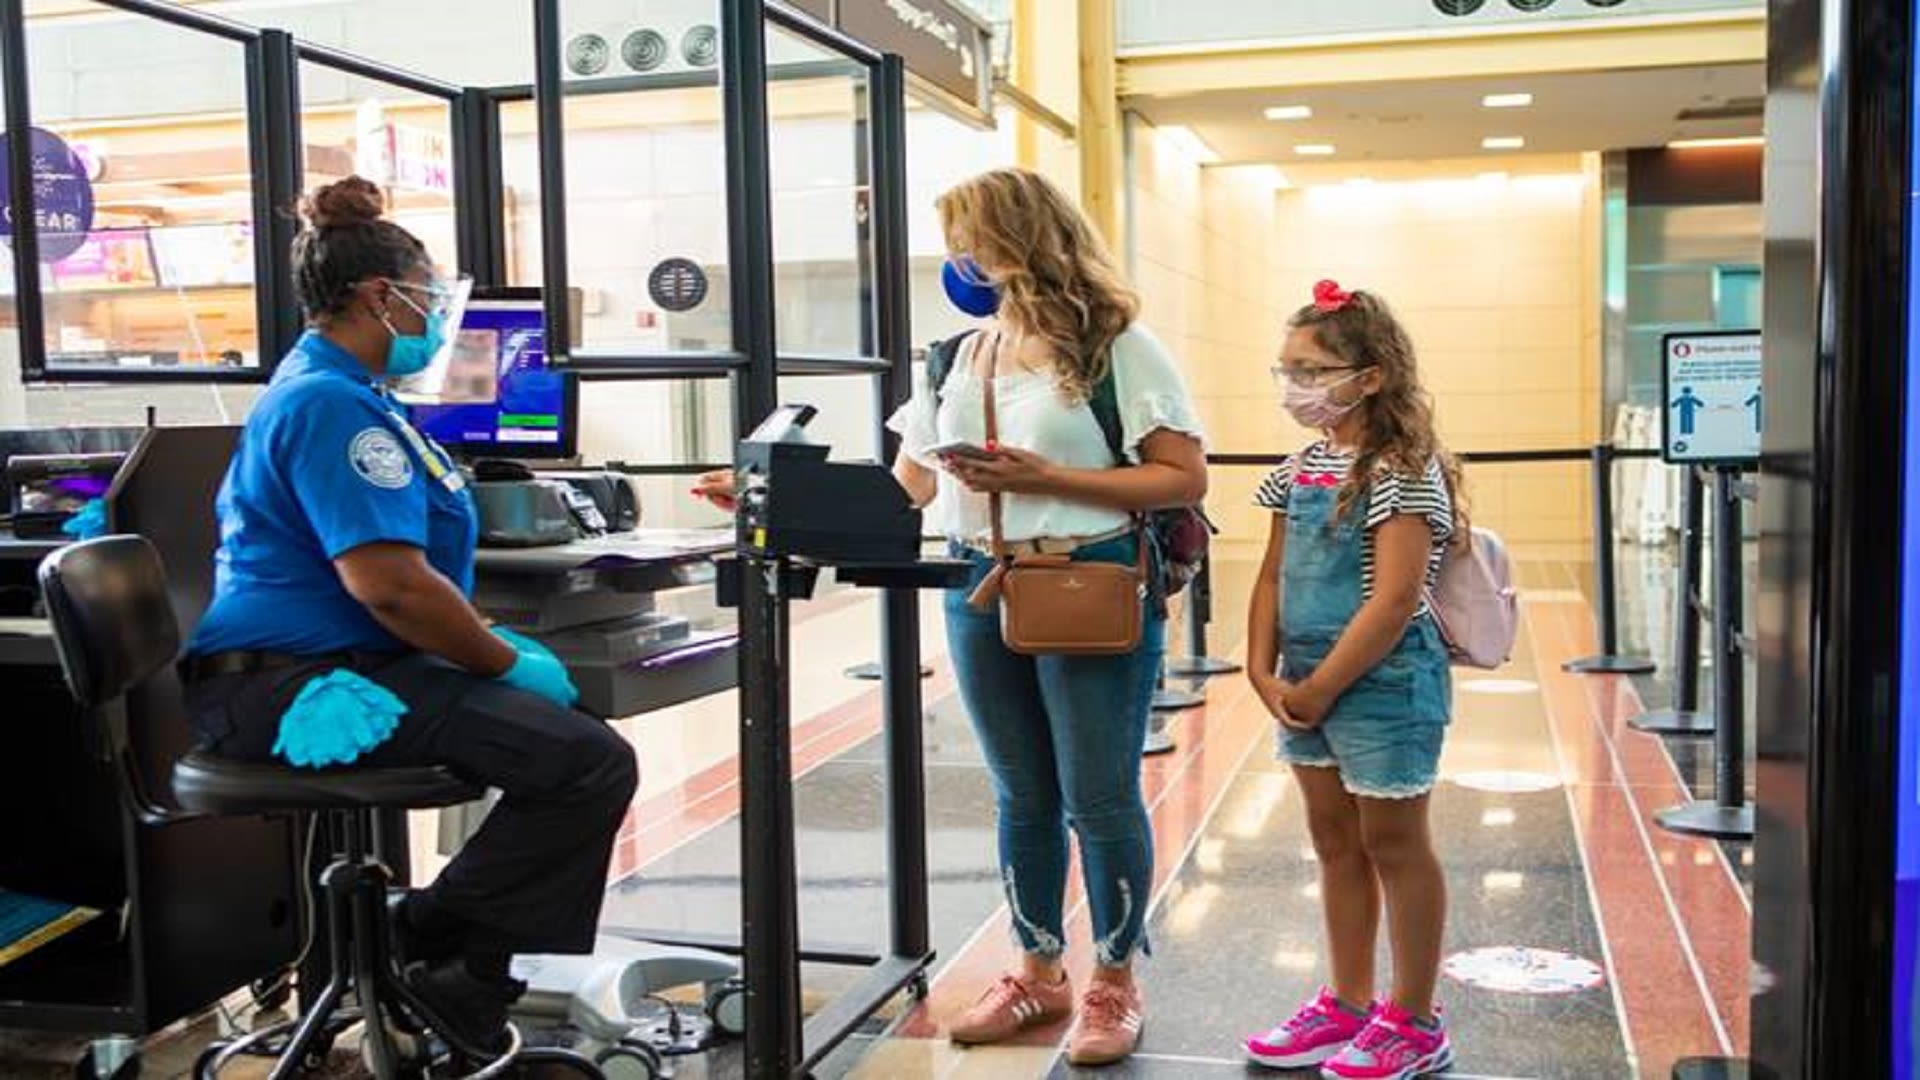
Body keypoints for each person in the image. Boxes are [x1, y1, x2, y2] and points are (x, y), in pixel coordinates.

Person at [181, 177, 637, 1053]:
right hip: (291, 689)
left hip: (341, 668)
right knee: (585, 760)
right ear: (380, 296)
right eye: (427, 298)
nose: (436, 319)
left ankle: (451, 962)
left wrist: (490, 650)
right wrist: (501, 663)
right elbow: (388, 585)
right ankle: (434, 951)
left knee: (569, 738)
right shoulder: (330, 405)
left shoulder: (351, 394)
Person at [888, 167, 1208, 1067]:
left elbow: (1181, 477)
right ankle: (1036, 972)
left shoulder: (1116, 346)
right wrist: (770, 495)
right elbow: (911, 484)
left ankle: (1114, 985)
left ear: (1023, 241)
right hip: (975, 585)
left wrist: (1044, 478)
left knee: (1098, 796)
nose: (959, 259)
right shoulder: (954, 355)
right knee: (1020, 794)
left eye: (970, 239)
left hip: (1091, 580)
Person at [1241, 281, 1459, 1078]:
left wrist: (1324, 685)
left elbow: (1396, 597)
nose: (1296, 386)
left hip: (1383, 684)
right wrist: (1261, 668)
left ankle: (1415, 1019)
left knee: (1393, 842)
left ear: (1369, 377)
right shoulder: (1296, 468)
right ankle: (1347, 1000)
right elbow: (1271, 576)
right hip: (1304, 682)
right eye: (1287, 369)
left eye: (1313, 369)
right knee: (1333, 841)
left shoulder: (1403, 470)